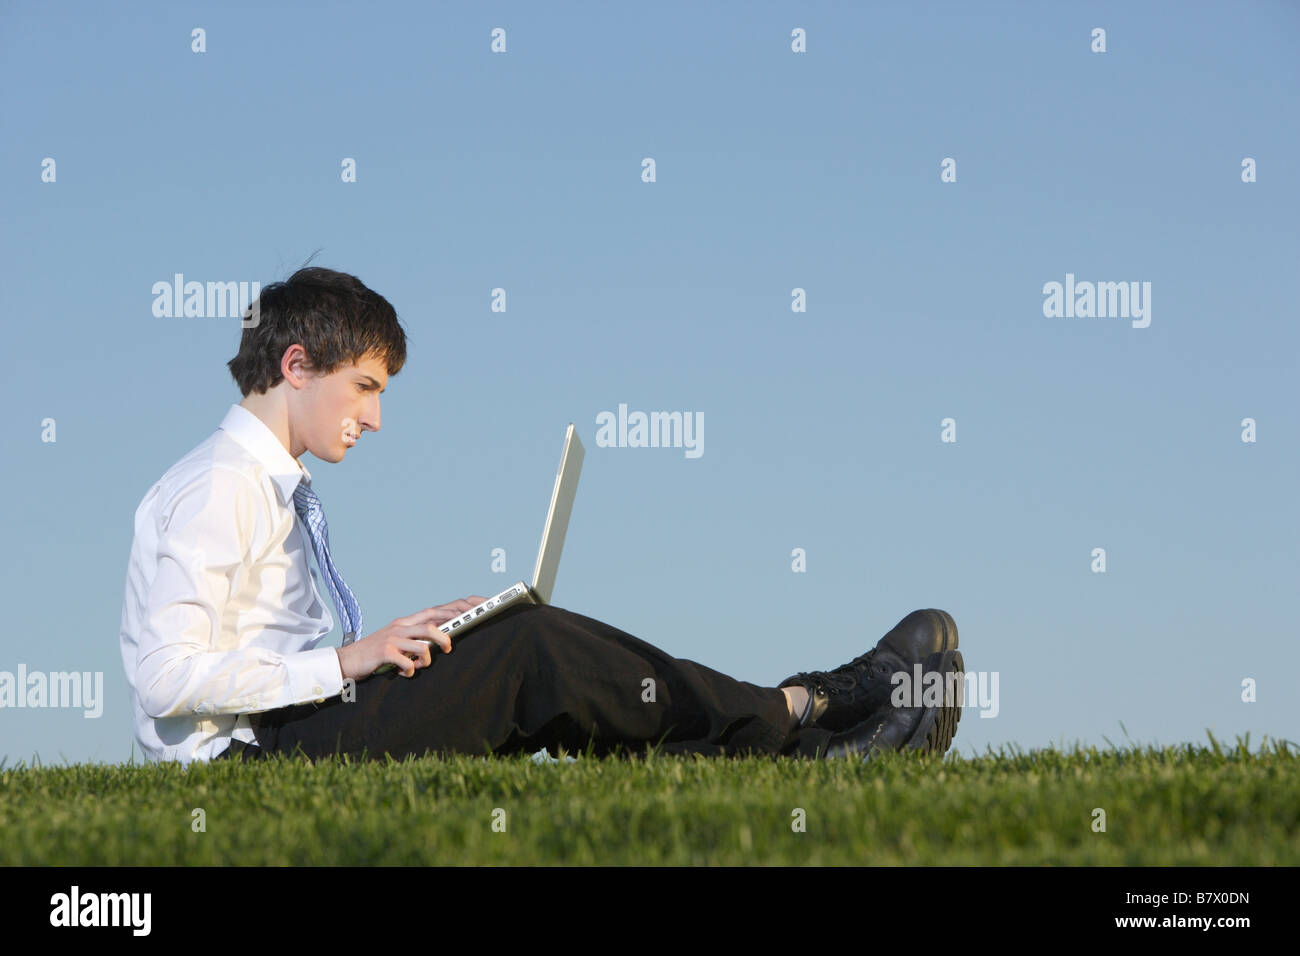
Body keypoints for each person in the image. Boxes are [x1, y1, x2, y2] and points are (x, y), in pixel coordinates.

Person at [119, 266, 965, 767]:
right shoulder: (220, 486)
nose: (375, 417)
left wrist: (393, 648)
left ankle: (796, 735)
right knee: (532, 648)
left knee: (510, 635)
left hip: (299, 727)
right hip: (253, 762)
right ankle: (807, 710)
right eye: (366, 387)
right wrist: (348, 659)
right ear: (297, 364)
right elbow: (165, 678)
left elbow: (263, 658)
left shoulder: (263, 485)